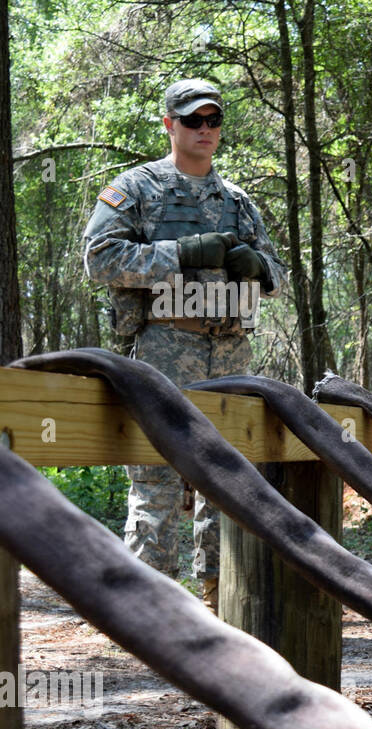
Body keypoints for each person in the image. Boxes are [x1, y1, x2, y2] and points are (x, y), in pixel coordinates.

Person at [83, 79, 287, 610]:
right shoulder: (137, 188)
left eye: (213, 120)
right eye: (192, 120)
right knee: (157, 477)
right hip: (165, 345)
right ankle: (148, 607)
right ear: (169, 123)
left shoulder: (238, 201)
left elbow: (278, 272)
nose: (204, 130)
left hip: (231, 350)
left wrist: (258, 267)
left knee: (226, 481)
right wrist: (182, 253)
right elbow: (100, 259)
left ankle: (219, 600)